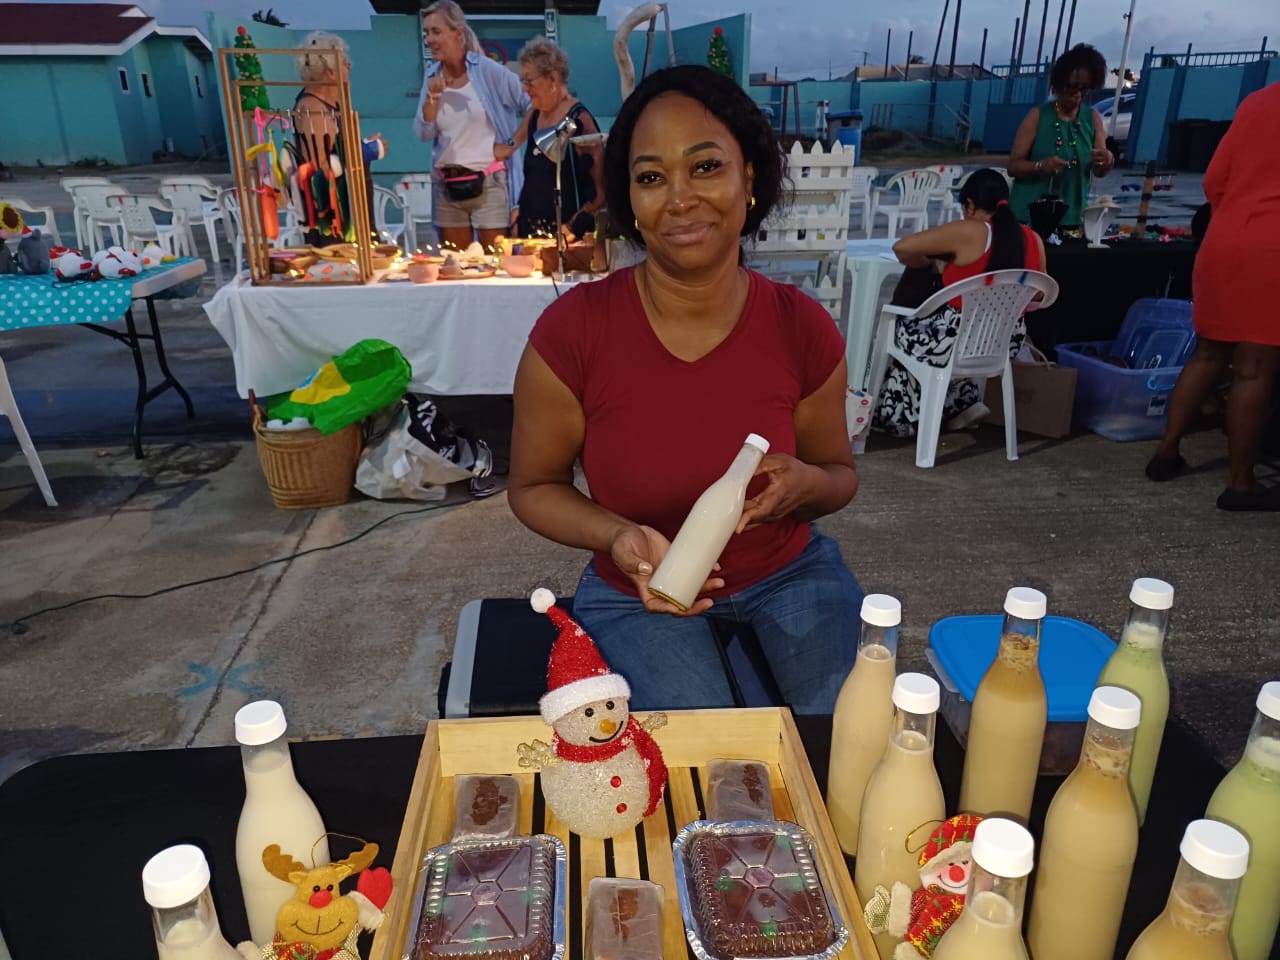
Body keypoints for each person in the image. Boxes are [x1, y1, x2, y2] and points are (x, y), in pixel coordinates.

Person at [507, 65, 863, 715]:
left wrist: (807, 488)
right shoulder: (573, 333)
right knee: (713, 769)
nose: (679, 197)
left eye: (705, 167)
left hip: (790, 575)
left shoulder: (800, 327)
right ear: (628, 202)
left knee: (845, 743)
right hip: (636, 591)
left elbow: (839, 474)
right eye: (650, 177)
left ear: (747, 179)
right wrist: (617, 537)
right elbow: (532, 488)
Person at [1145, 81, 1280, 511]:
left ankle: (1167, 450)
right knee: (1254, 370)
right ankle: (1241, 483)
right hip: (1271, 247)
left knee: (1207, 354)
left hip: (1223, 240)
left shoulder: (1258, 101)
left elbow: (1214, 179)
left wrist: (1238, 213)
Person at [873, 168, 1048, 437]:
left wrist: (931, 265)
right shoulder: (1032, 239)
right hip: (1004, 342)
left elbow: (903, 248)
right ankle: (960, 404)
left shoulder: (971, 230)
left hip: (953, 341)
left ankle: (902, 415)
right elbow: (1039, 294)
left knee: (901, 329)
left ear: (969, 205)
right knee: (926, 335)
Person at [412, 0, 529, 251]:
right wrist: (432, 99)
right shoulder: (432, 76)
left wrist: (511, 144)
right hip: (447, 186)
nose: (429, 39)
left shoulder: (487, 71)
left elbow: (532, 101)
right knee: (455, 270)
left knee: (496, 267)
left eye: (436, 31)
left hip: (490, 182)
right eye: (426, 33)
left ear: (458, 32)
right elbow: (423, 133)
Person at [502, 37, 605, 241]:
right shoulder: (534, 115)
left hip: (567, 237)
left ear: (553, 79)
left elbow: (601, 188)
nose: (525, 89)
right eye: (523, 81)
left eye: (529, 81)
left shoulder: (580, 120)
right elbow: (513, 153)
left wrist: (573, 227)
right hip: (531, 232)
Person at [1007, 44, 1115, 233]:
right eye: (1072, 88)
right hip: (1028, 218)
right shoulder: (1038, 116)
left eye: (1084, 89)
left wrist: (1107, 160)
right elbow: (1013, 167)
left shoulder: (1093, 119)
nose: (1078, 95)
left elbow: (1099, 170)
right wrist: (1040, 166)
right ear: (1058, 84)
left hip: (1071, 217)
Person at [292, 32, 384, 246]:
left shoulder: (336, 103)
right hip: (332, 215)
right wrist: (364, 151)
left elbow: (340, 147)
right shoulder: (311, 108)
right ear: (331, 71)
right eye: (345, 62)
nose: (349, 67)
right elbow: (320, 168)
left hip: (354, 206)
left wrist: (363, 144)